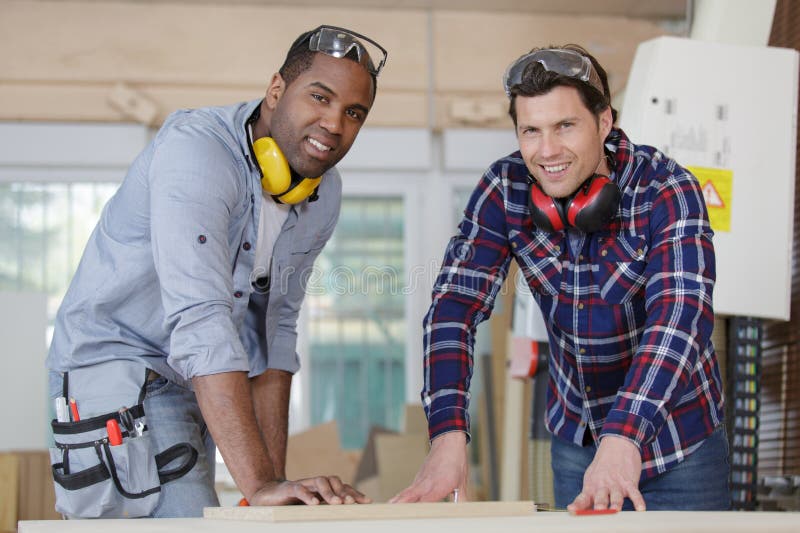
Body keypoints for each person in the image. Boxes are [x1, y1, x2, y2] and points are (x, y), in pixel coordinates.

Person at [46, 25, 387, 518]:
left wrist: (267, 496)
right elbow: (201, 318)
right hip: (118, 370)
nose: (334, 123)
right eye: (320, 96)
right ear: (275, 91)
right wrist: (264, 481)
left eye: (353, 113)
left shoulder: (321, 194)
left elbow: (274, 334)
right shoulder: (198, 153)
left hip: (192, 377)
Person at [392, 45, 729, 511]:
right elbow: (453, 310)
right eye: (531, 130)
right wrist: (447, 436)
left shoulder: (667, 189)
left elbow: (680, 319)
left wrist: (625, 435)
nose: (546, 150)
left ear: (605, 122)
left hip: (681, 447)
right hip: (578, 440)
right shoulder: (505, 188)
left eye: (565, 126)